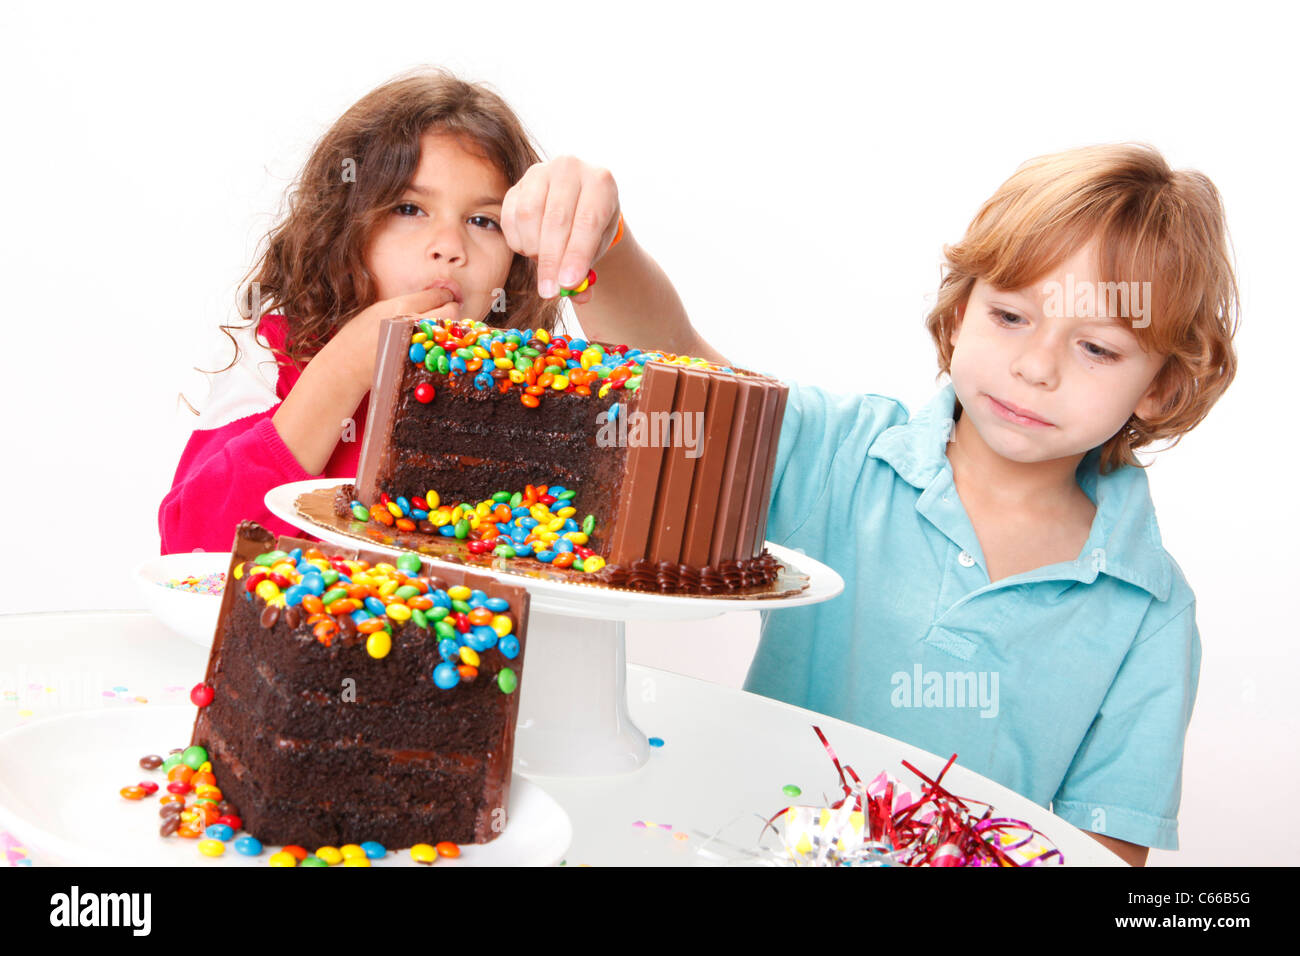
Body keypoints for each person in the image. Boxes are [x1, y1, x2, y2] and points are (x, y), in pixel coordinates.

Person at [577, 144, 1239, 865]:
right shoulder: (841, 455)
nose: (1036, 367)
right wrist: (603, 249)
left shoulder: (1150, 610)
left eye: (1098, 349)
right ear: (958, 317)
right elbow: (683, 368)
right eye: (1011, 316)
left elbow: (1104, 852)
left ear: (1161, 389)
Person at [159, 69, 688, 554]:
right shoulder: (273, 355)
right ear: (345, 226)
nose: (449, 246)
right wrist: (346, 368)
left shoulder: (526, 392)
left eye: (484, 221)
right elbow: (191, 546)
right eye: (410, 209)